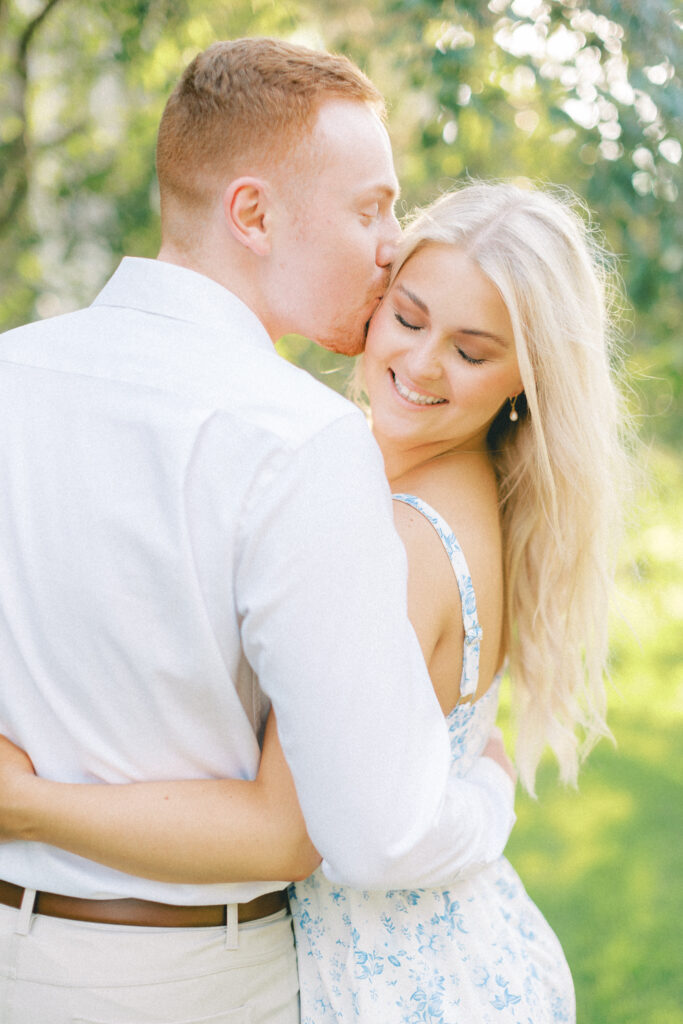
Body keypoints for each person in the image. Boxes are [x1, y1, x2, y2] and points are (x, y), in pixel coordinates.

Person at [0, 181, 630, 1023]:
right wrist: (484, 795)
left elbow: (339, 835)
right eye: (408, 319)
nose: (420, 363)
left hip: (397, 977)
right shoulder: (406, 480)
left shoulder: (403, 538)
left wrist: (28, 806)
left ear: (526, 379)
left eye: (471, 352)